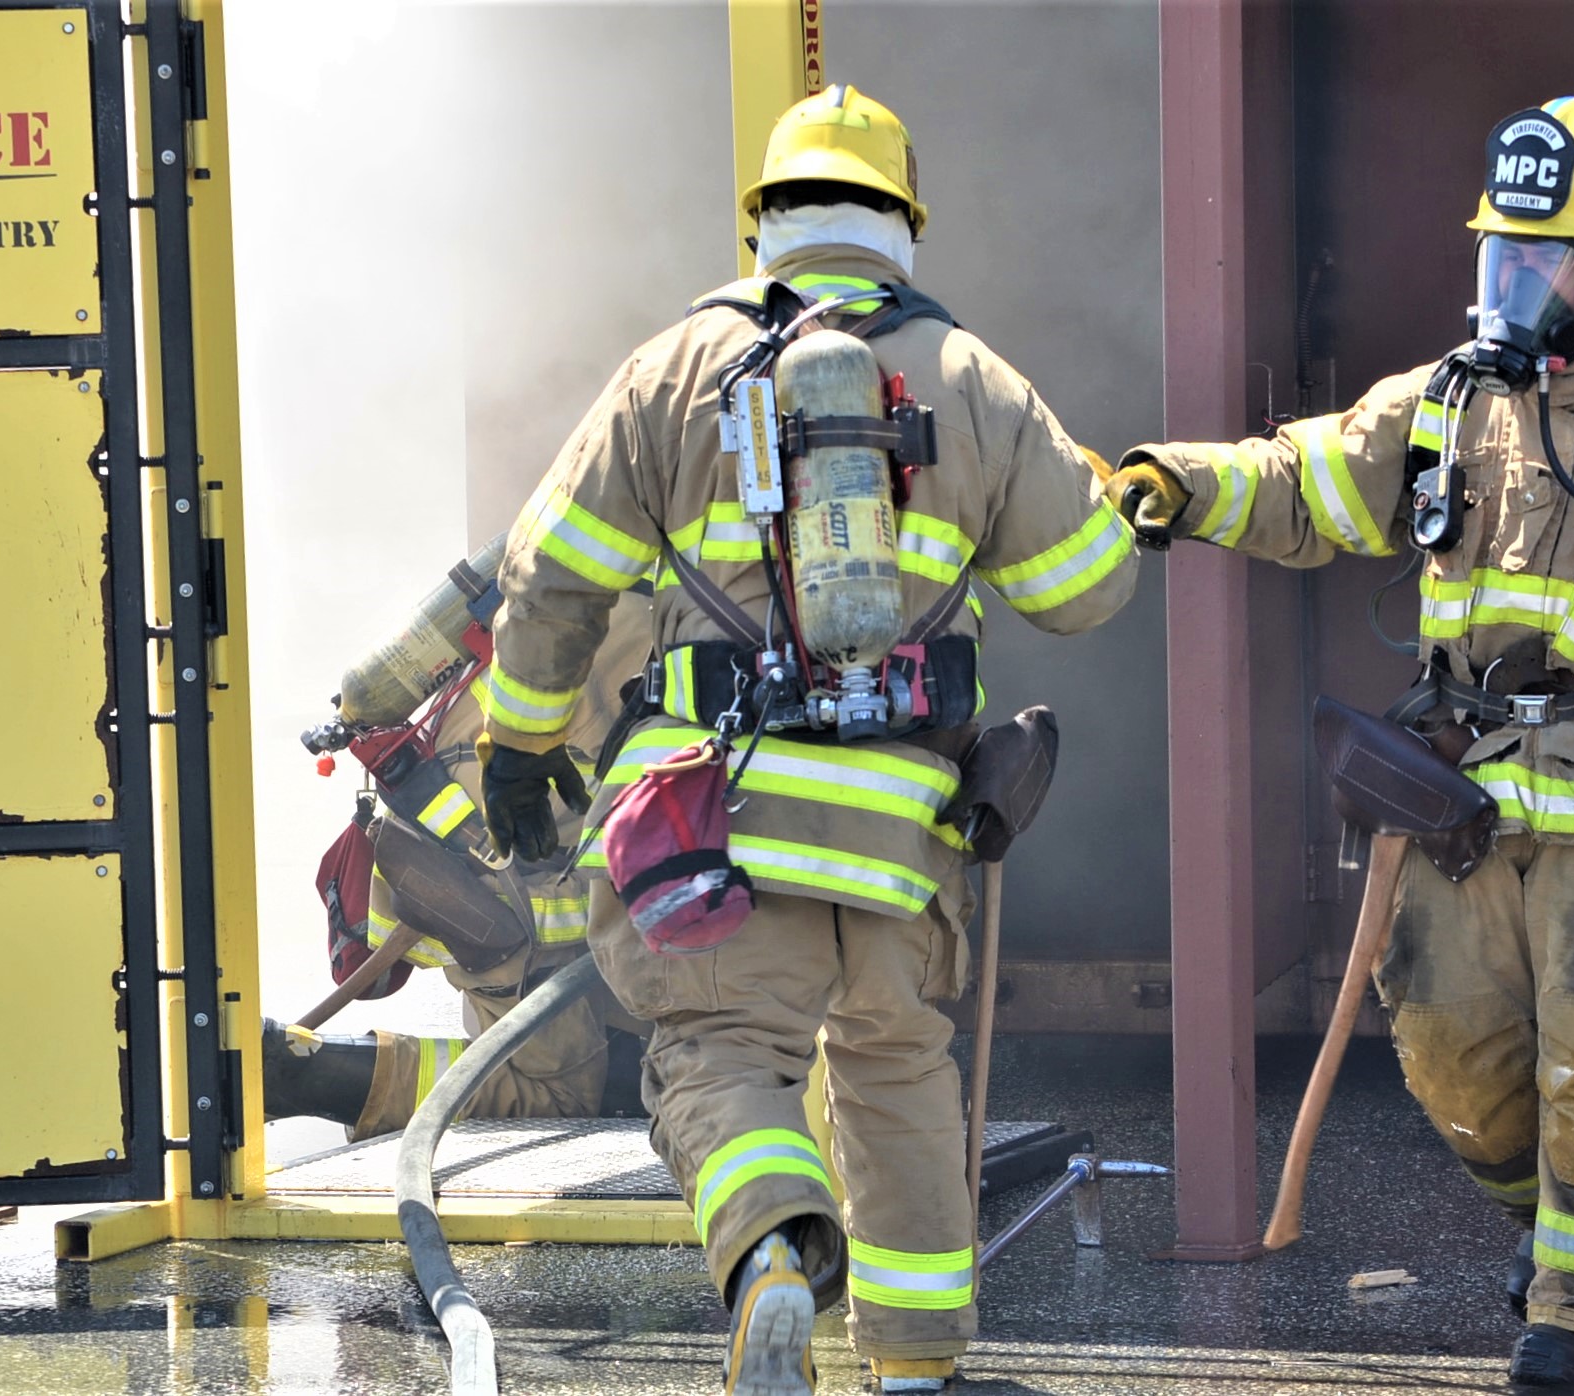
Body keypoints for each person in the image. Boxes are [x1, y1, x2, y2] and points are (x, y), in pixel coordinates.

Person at [1103, 96, 1574, 1391]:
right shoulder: (1449, 404)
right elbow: (1308, 478)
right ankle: (1547, 1232)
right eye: (1500, 256)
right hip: (1468, 813)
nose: (1512, 285)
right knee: (1448, 1052)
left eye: (1541, 260)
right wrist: (1185, 482)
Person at [474, 84, 1138, 1396]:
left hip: (720, 816)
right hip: (898, 830)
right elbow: (1088, 588)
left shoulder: (673, 371)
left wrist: (520, 743)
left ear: (764, 222)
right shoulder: (973, 375)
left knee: (723, 1053)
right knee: (894, 1062)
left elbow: (551, 580)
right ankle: (917, 1370)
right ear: (904, 225)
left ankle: (775, 1259)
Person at [261, 586, 656, 1140]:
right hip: (485, 904)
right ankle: (298, 1073)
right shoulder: (676, 637)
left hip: (459, 832)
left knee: (636, 1035)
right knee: (560, 1092)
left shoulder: (593, 593)